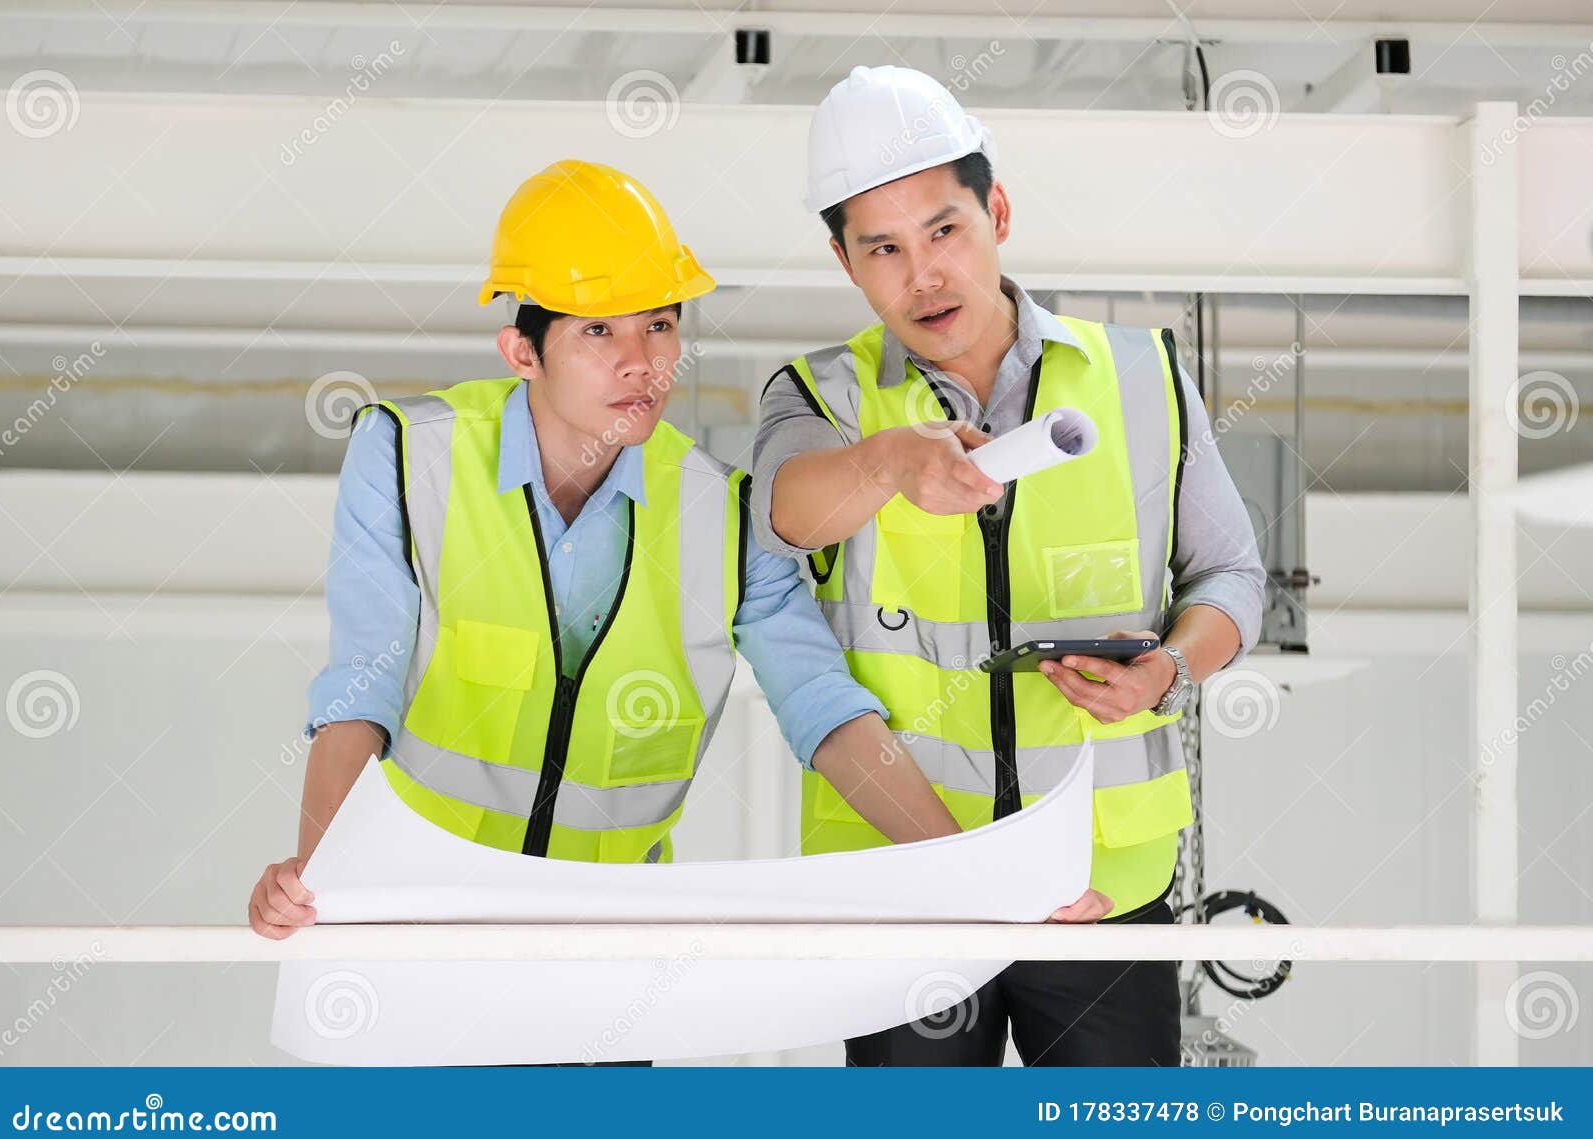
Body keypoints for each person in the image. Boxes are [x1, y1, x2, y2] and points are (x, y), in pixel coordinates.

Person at [248, 159, 963, 972]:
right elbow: (360, 686)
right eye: (600, 330)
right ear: (521, 350)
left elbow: (825, 710)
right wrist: (322, 878)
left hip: (609, 963)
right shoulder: (410, 457)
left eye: (659, 325)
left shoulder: (723, 514)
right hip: (420, 936)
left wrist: (966, 877)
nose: (641, 362)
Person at [752, 67, 1267, 1066]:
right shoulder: (820, 394)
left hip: (1100, 885)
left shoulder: (1140, 377)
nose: (922, 275)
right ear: (844, 261)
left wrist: (1167, 667)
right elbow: (781, 513)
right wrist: (891, 462)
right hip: (906, 885)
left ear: (996, 210)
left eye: (943, 230)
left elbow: (1230, 576)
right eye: (883, 249)